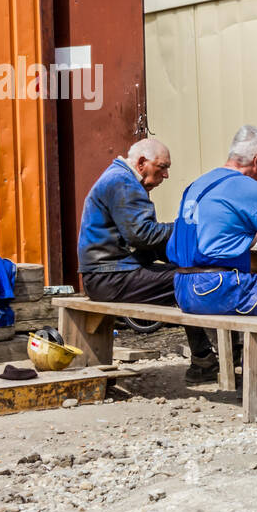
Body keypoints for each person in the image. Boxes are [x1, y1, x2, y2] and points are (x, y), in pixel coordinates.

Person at [77, 137, 218, 383]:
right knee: (196, 280)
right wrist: (188, 230)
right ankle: (209, 360)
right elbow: (142, 235)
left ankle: (204, 361)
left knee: (186, 273)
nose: (166, 175)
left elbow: (141, 239)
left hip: (106, 273)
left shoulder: (119, 177)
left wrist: (180, 253)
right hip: (110, 276)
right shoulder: (122, 182)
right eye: (162, 167)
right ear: (142, 162)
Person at [166, 127, 257, 331]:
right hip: (217, 289)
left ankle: (254, 358)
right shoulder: (247, 188)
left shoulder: (198, 183)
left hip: (183, 289)